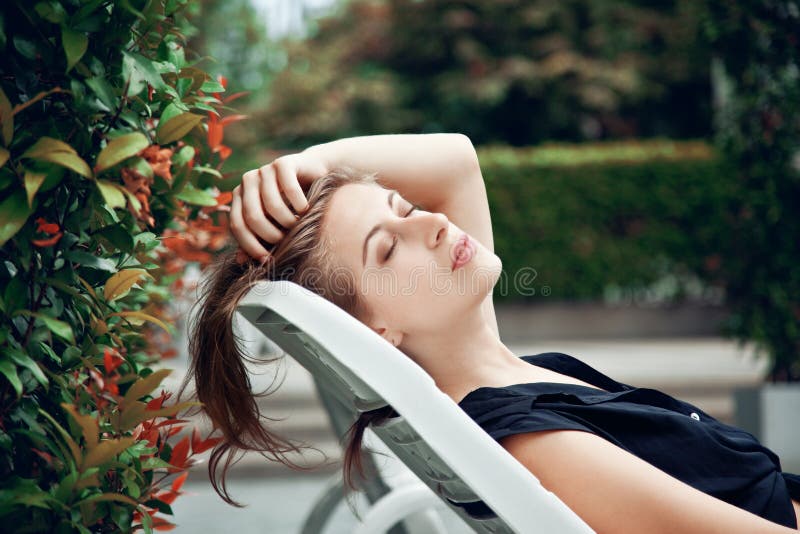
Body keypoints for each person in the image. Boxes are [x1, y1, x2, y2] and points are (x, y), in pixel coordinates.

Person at [187, 133, 800, 533]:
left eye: (404, 207)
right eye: (387, 249)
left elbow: (457, 160)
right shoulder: (529, 440)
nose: (432, 221)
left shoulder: (499, 368)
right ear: (375, 329)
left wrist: (313, 163)